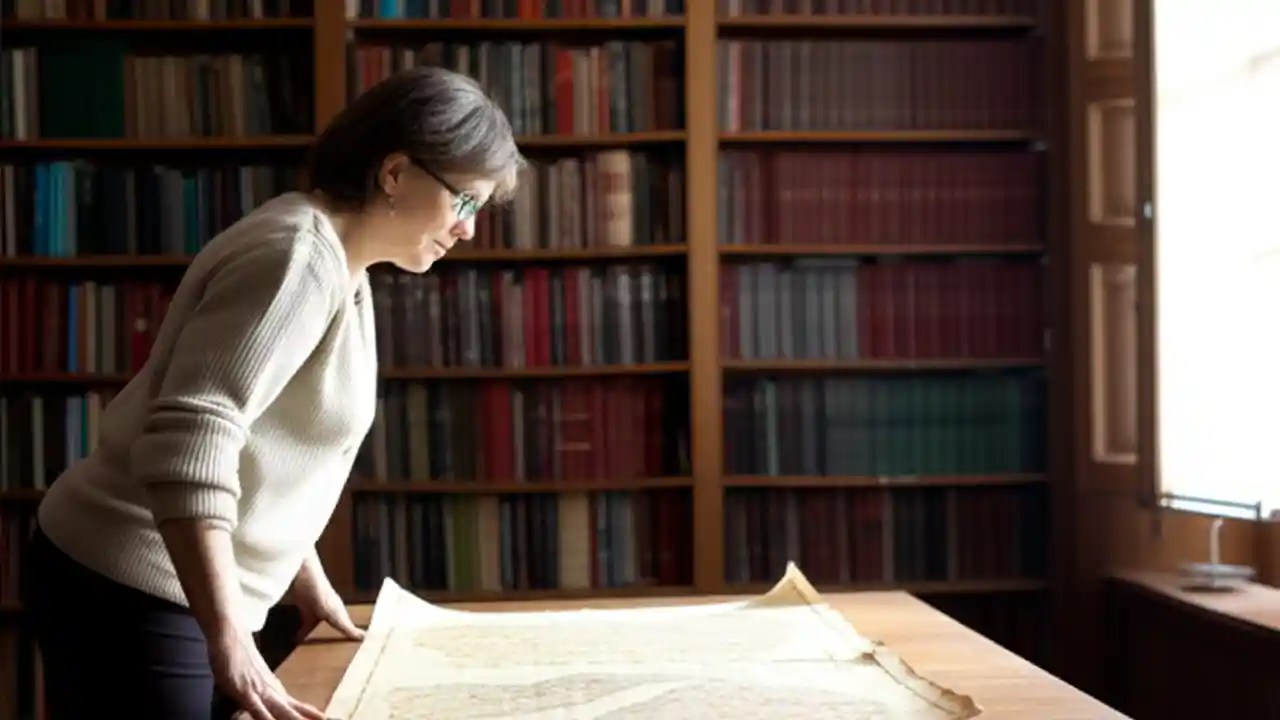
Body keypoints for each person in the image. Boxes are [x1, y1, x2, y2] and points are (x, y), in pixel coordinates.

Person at [21, 65, 524, 720]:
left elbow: (263, 450)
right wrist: (228, 638)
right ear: (395, 173)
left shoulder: (344, 264)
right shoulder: (297, 258)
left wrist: (303, 580)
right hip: (133, 582)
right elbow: (190, 444)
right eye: (465, 201)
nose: (468, 229)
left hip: (182, 585)